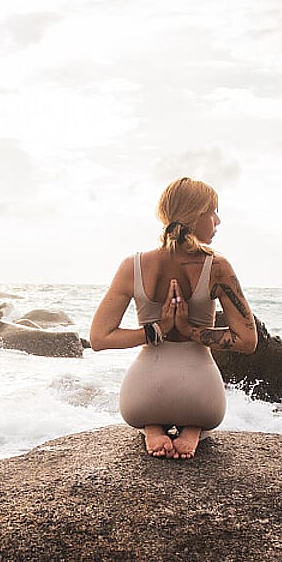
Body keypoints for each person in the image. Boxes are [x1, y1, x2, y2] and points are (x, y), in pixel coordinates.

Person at [89, 177, 257, 459]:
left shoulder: (133, 266)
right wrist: (191, 331)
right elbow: (248, 340)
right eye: (212, 212)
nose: (217, 220)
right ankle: (193, 430)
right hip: (202, 401)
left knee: (148, 414)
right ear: (195, 215)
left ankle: (151, 428)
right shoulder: (217, 267)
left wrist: (156, 330)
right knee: (199, 416)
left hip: (141, 399)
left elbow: (99, 338)